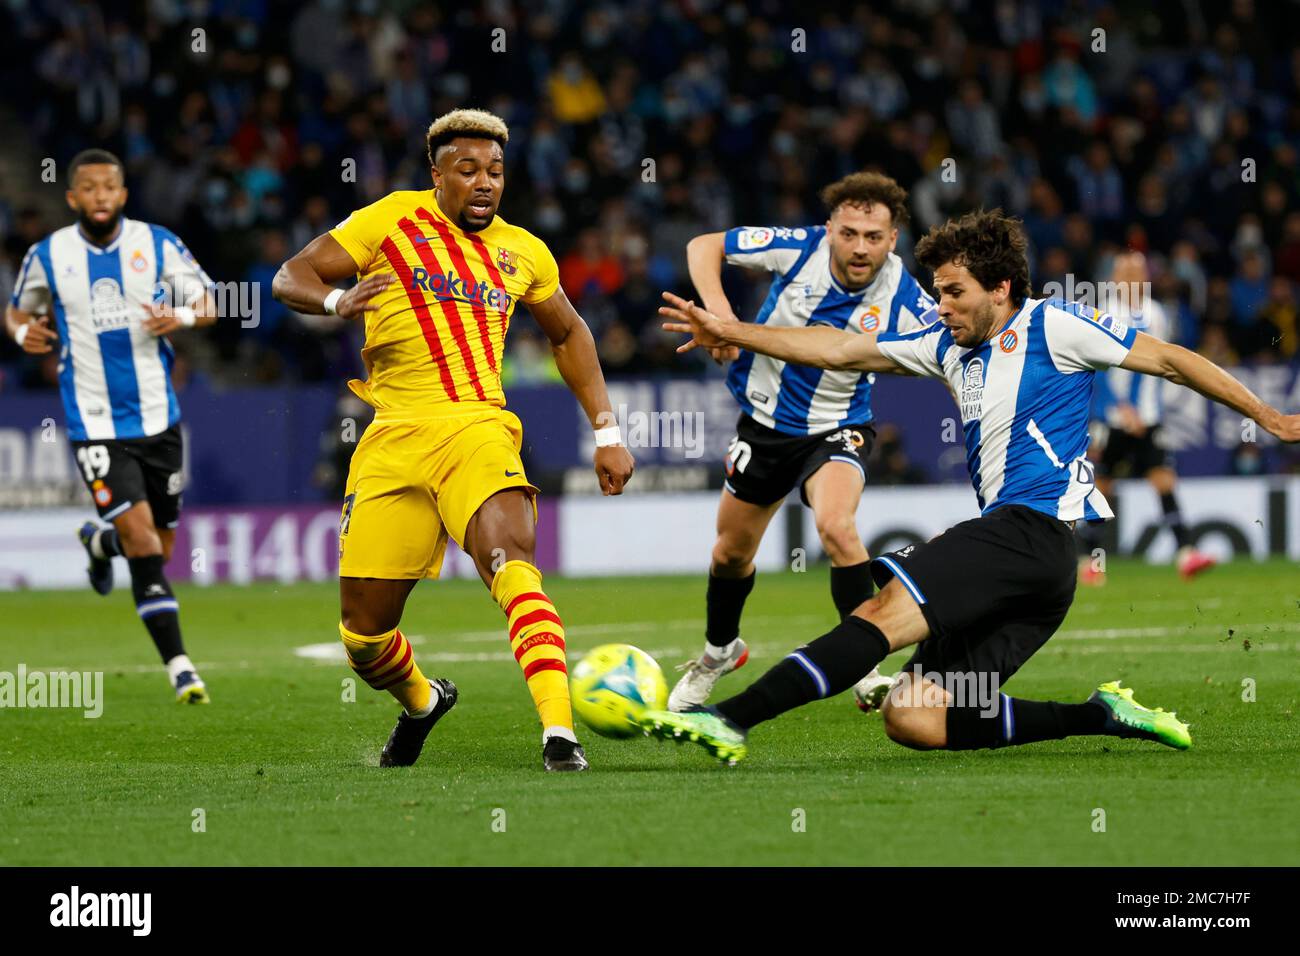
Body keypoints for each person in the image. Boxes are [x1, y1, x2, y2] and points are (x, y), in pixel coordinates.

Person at [653, 209, 1299, 765]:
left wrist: (1269, 419)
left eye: (954, 293)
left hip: (1029, 533)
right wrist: (731, 330)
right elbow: (841, 352)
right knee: (913, 716)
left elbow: (1170, 360)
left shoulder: (1055, 327)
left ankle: (731, 718)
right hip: (1040, 576)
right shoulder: (944, 345)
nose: (942, 307)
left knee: (878, 615)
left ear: (1001, 286)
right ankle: (1098, 714)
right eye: (936, 293)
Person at [272, 109, 635, 772]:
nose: (485, 182)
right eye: (468, 169)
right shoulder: (388, 219)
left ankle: (560, 734)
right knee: (363, 635)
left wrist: (607, 431)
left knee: (510, 562)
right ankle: (422, 701)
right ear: (436, 175)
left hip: (477, 427)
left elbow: (569, 333)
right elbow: (291, 274)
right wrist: (335, 304)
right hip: (393, 439)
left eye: (495, 171)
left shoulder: (524, 250)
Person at [670, 172, 936, 715]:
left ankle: (865, 664)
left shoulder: (906, 295)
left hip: (839, 426)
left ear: (893, 239)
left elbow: (952, 348)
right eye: (849, 232)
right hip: (764, 424)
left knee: (838, 527)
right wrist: (721, 316)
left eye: (874, 236)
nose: (860, 247)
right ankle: (720, 651)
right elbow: (704, 246)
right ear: (830, 228)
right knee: (730, 553)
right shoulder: (799, 247)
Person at [4, 149, 218, 703]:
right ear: (72, 197)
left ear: (123, 195)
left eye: (109, 187)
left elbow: (210, 300)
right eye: (88, 188)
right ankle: (181, 668)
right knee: (144, 542)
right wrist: (19, 332)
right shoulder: (48, 254)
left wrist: (185, 316)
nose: (100, 196)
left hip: (159, 417)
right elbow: (17, 309)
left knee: (162, 547)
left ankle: (100, 543)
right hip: (94, 422)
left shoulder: (157, 244)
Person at [1079, 251, 1215, 584]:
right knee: (1102, 488)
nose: (1133, 278)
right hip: (1113, 418)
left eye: (1138, 272)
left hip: (1149, 417)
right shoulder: (1104, 312)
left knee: (1163, 480)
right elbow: (1096, 368)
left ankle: (1186, 554)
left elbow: (1160, 361)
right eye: (1126, 272)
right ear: (1114, 278)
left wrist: (1147, 408)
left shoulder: (1156, 313)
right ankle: (1089, 560)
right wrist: (1122, 408)